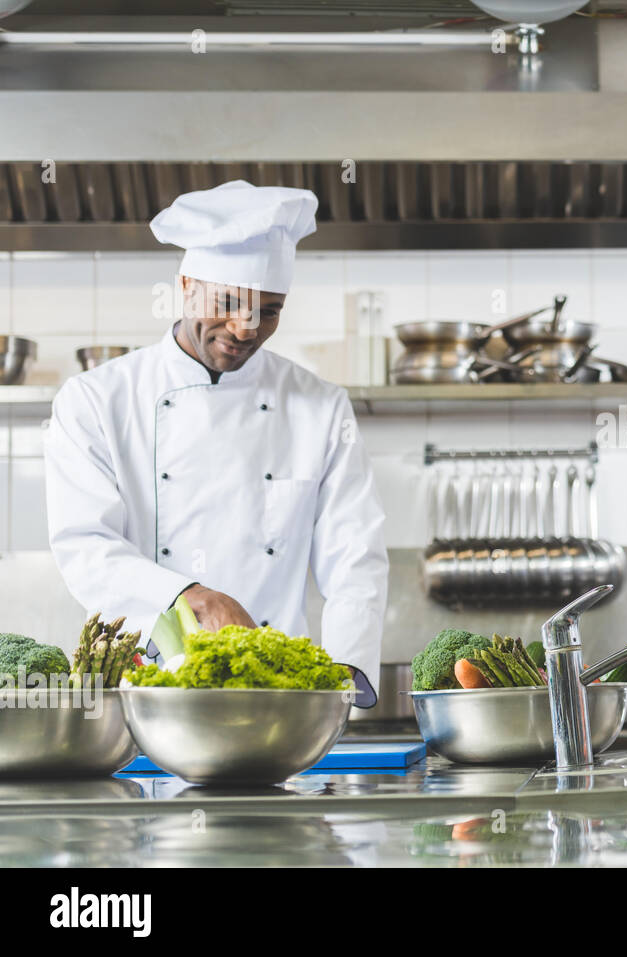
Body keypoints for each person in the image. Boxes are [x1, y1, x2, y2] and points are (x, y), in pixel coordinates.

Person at [43, 180, 388, 702]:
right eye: (228, 302)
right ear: (185, 286)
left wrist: (342, 677)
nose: (246, 328)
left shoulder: (319, 406)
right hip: (148, 695)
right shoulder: (96, 399)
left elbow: (355, 557)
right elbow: (86, 547)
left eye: (268, 311)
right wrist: (191, 596)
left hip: (280, 694)